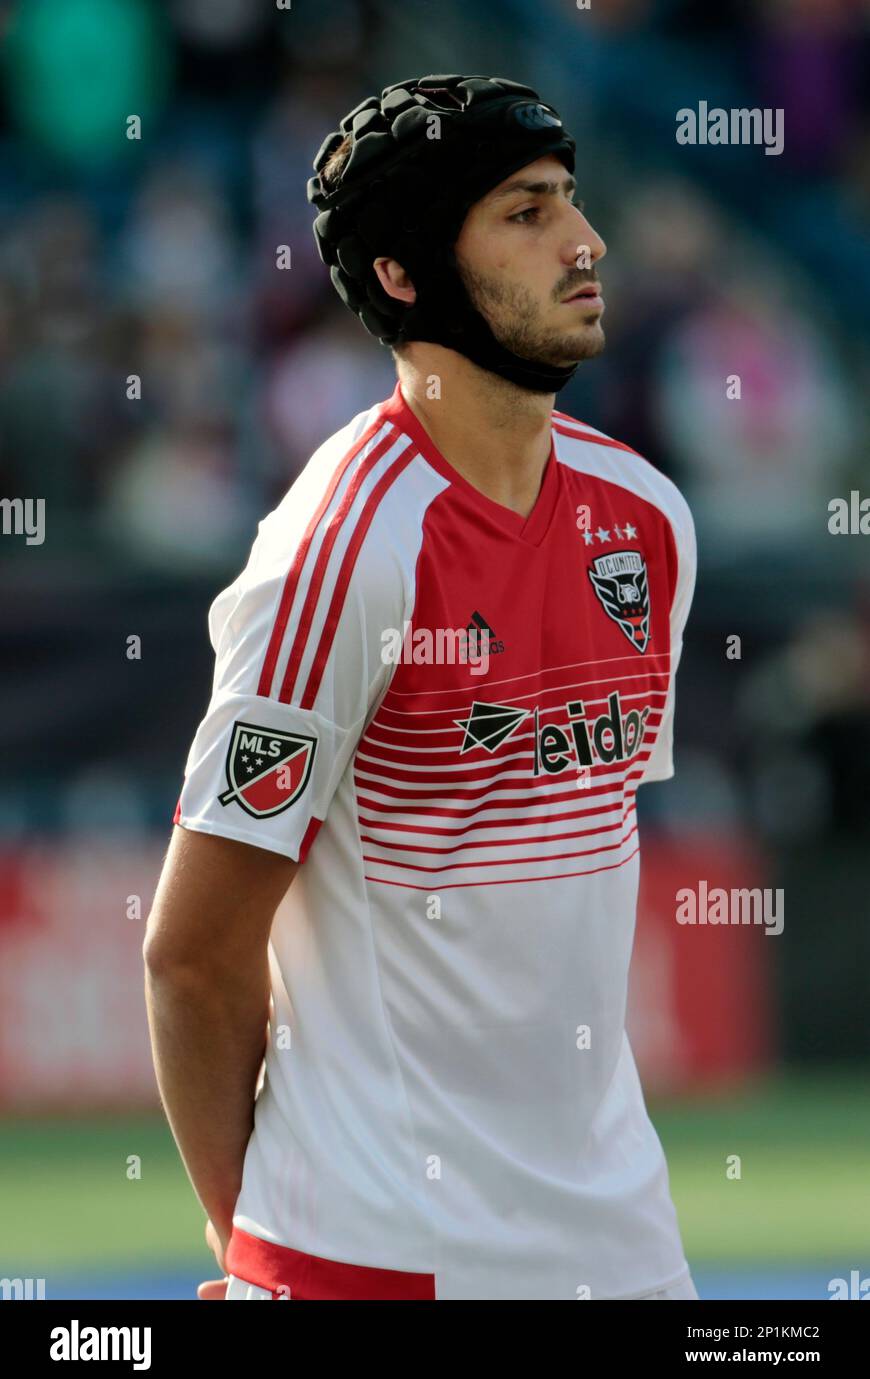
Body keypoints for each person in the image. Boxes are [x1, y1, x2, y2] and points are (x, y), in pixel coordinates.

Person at [144, 74, 698, 1301]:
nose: (585, 241)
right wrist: (255, 1254)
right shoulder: (336, 557)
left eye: (573, 201)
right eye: (526, 212)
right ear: (404, 274)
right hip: (379, 1260)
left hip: (627, 1251)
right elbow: (191, 956)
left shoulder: (651, 520)